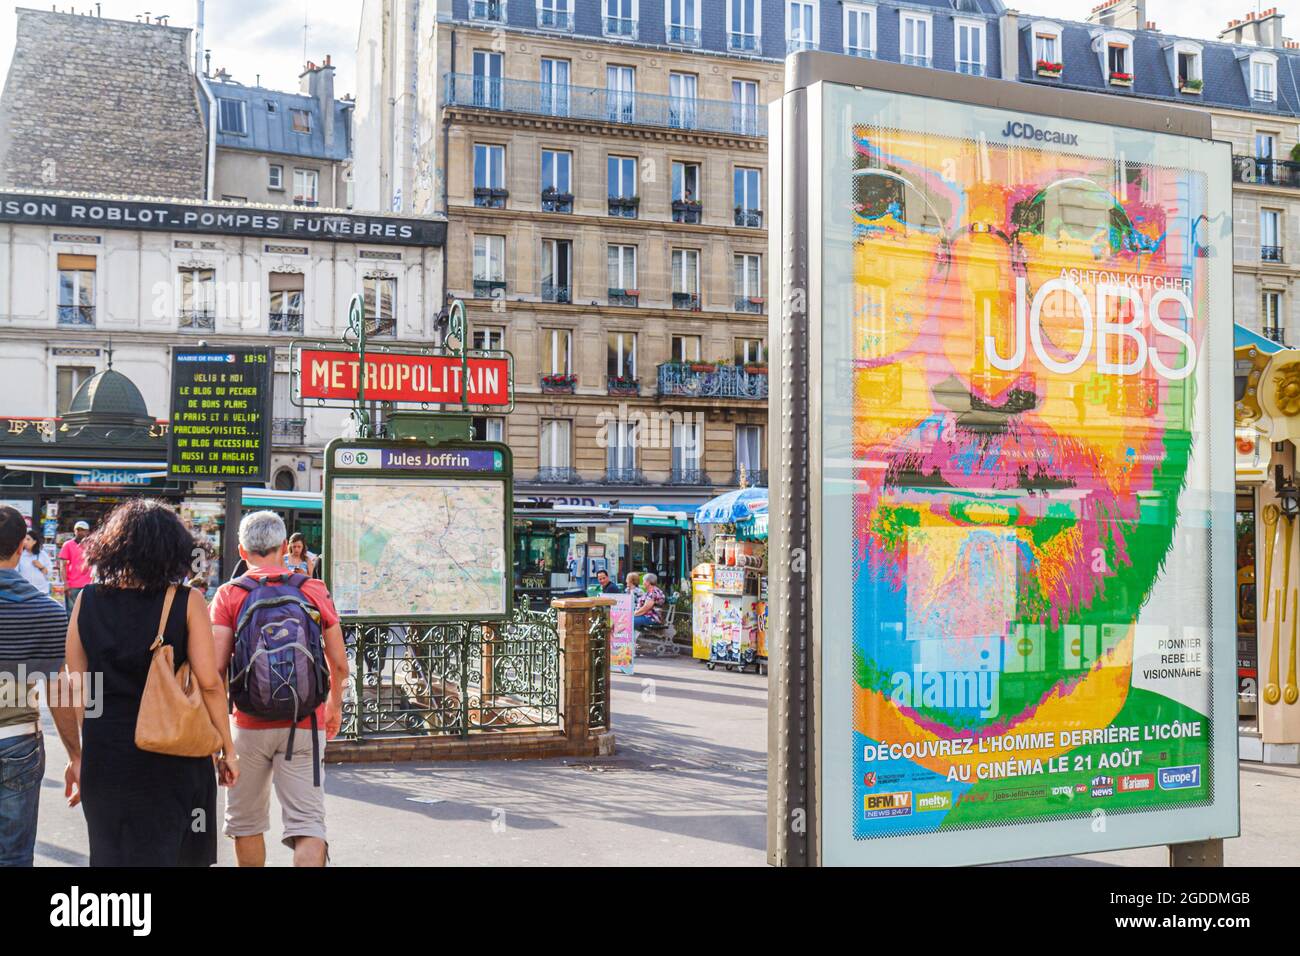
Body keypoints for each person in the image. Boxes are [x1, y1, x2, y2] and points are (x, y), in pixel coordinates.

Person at [61, 499, 237, 867]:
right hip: (174, 752)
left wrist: (81, 751)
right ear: (172, 549)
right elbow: (209, 683)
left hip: (106, 755)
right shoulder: (186, 602)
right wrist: (226, 749)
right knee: (176, 854)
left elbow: (76, 684)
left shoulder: (87, 600)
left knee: (112, 857)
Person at [210, 511, 348, 867]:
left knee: (246, 824)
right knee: (308, 826)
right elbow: (339, 664)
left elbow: (214, 674)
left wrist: (221, 740)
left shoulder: (229, 595)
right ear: (285, 546)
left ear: (242, 550)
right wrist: (334, 705)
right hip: (304, 722)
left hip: (247, 725)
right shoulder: (312, 589)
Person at [0, 506, 79, 867]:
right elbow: (58, 690)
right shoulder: (46, 611)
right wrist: (76, 756)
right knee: (14, 856)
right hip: (16, 737)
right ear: (22, 548)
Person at [57, 520, 91, 612]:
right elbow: (62, 565)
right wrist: (65, 583)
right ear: (74, 531)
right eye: (78, 530)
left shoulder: (91, 545)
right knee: (72, 612)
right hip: (73, 584)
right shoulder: (68, 545)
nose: (80, 532)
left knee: (87, 611)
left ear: (87, 532)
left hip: (88, 584)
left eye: (83, 530)